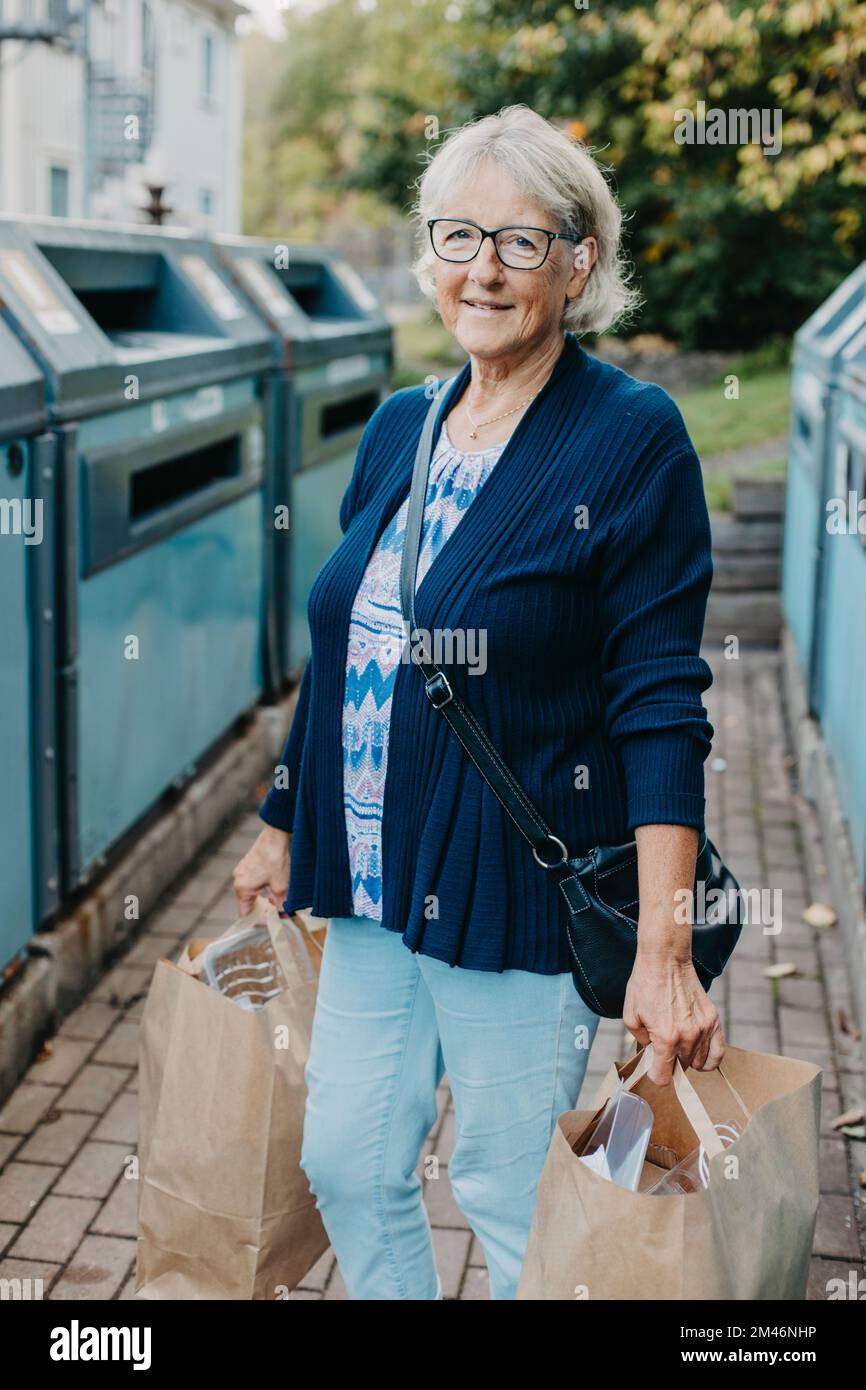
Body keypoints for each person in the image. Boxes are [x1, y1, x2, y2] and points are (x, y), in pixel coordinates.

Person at [233, 104, 725, 1300]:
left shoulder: (629, 438)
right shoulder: (405, 423)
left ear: (577, 262)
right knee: (345, 1162)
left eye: (521, 240)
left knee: (514, 1200)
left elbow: (659, 697)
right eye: (458, 237)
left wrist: (662, 949)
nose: (484, 270)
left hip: (517, 888)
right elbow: (347, 641)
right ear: (428, 255)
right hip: (367, 884)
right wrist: (280, 816)